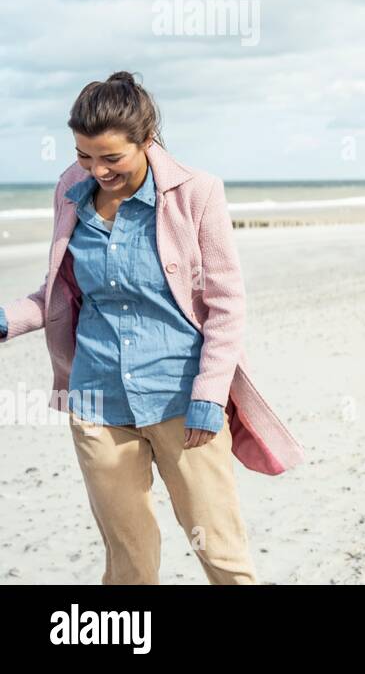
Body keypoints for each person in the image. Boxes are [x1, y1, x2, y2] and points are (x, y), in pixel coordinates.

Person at [0, 71, 304, 584]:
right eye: (83, 155)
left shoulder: (196, 193)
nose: (97, 170)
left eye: (111, 157)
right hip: (96, 403)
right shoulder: (71, 191)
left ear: (147, 140)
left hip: (182, 402)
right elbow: (60, 294)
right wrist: (7, 320)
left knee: (221, 550)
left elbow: (226, 303)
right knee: (128, 560)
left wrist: (210, 395)